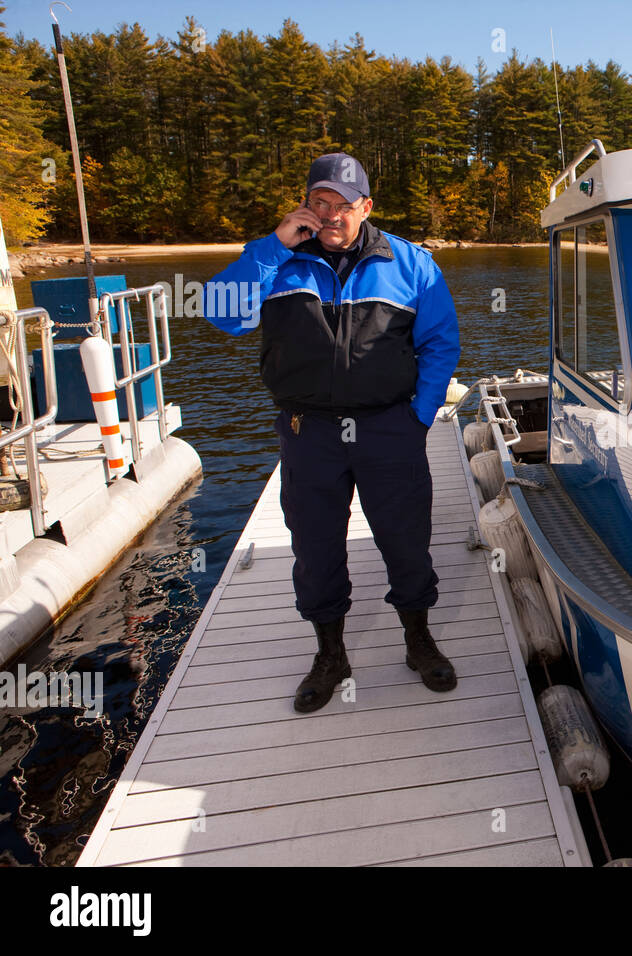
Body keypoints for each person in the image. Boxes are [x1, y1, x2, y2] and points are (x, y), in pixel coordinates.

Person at [203, 152, 461, 713]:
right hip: (309, 431)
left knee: (405, 537)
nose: (331, 214)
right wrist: (273, 246)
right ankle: (330, 654)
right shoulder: (278, 262)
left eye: (343, 205)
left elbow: (441, 344)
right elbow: (220, 313)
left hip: (389, 427)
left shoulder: (412, 263)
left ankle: (418, 640)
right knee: (316, 546)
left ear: (366, 207)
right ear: (305, 204)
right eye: (320, 203)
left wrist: (419, 415)